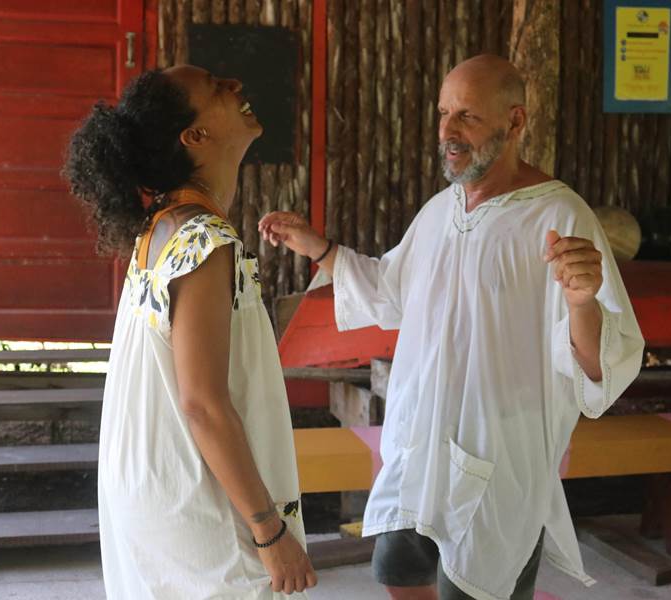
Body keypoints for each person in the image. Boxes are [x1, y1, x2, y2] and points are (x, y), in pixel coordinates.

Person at [259, 54, 644, 600]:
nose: (447, 131)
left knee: (477, 585)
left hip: (499, 459)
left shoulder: (559, 216)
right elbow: (391, 291)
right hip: (418, 446)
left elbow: (599, 366)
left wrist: (582, 303)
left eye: (466, 115)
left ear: (515, 122)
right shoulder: (443, 210)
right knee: (398, 572)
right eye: (443, 113)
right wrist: (318, 248)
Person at [64, 65, 316, 599]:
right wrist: (269, 531)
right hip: (196, 509)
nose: (237, 85)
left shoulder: (164, 225)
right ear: (195, 136)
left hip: (158, 489)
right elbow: (202, 402)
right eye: (216, 88)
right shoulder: (202, 239)